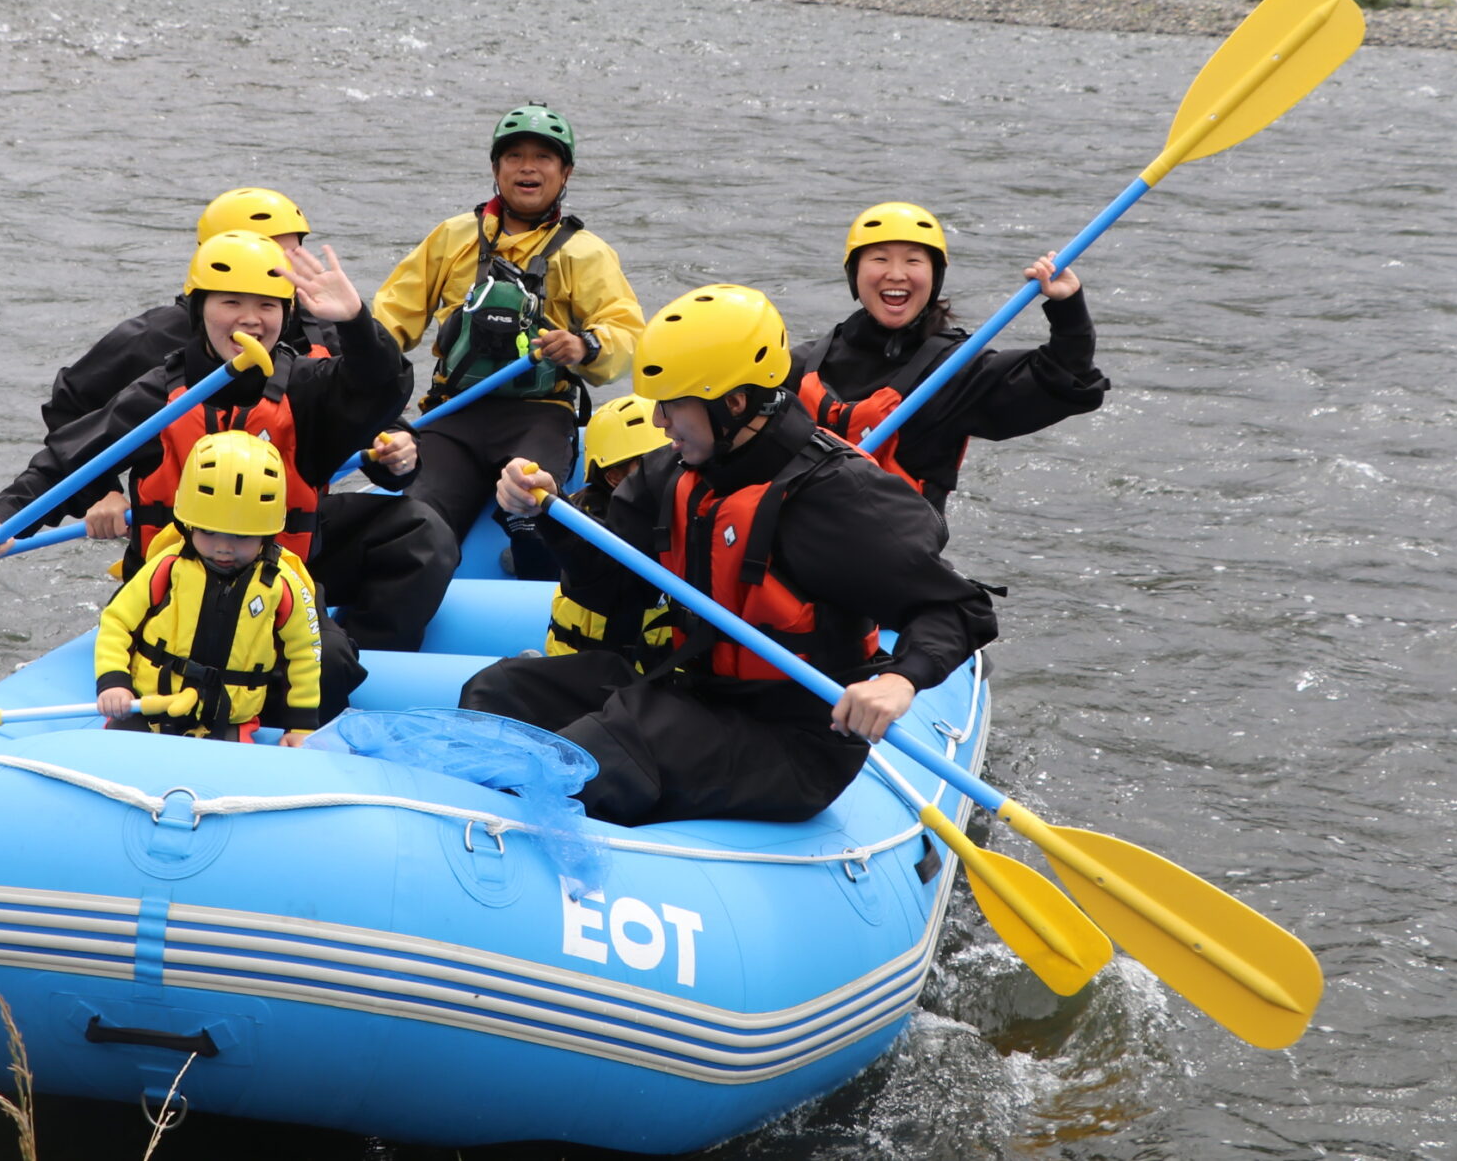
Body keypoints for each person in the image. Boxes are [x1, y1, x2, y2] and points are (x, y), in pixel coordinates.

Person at [460, 284, 1000, 826]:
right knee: (503, 691)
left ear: (733, 403)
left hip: (794, 740)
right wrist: (547, 515)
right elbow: (612, 592)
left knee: (614, 741)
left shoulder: (838, 495)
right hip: (692, 688)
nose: (658, 423)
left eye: (671, 405)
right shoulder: (671, 473)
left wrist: (898, 680)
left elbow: (959, 607)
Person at [0, 229, 414, 715]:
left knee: (333, 667)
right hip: (168, 591)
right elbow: (69, 460)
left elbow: (382, 388)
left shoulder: (307, 388)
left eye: (267, 305)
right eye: (231, 302)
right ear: (200, 310)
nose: (249, 319)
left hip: (272, 589)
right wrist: (4, 516)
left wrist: (355, 323)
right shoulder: (158, 394)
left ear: (285, 315)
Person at [368, 106, 645, 553]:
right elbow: (393, 316)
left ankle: (530, 547)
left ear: (565, 172)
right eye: (514, 156)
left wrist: (583, 345)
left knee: (528, 503)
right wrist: (359, 369)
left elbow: (625, 332)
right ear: (496, 169)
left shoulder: (585, 254)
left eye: (543, 157)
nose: (528, 167)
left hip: (538, 414)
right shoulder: (452, 237)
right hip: (453, 412)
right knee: (418, 523)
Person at [790, 202, 1108, 517]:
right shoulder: (803, 365)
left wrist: (1069, 308)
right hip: (789, 554)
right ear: (854, 273)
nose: (896, 274)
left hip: (891, 561)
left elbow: (1067, 377)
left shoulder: (957, 373)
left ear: (934, 276)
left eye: (913, 260)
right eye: (879, 258)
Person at [40, 188, 332, 434]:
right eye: (273, 257)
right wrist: (103, 491)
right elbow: (69, 407)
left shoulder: (320, 327)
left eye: (296, 255)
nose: (290, 272)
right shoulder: (154, 337)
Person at [95, 431, 322, 743]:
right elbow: (117, 621)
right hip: (147, 713)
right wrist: (113, 682)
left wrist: (300, 726)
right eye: (210, 533)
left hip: (228, 723)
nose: (224, 548)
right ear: (189, 526)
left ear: (267, 533)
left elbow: (305, 655)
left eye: (242, 536)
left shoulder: (282, 584)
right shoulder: (168, 566)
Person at [536, 395, 673, 667]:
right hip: (595, 668)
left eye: (672, 457)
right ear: (614, 477)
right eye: (651, 462)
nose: (669, 469)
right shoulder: (585, 530)